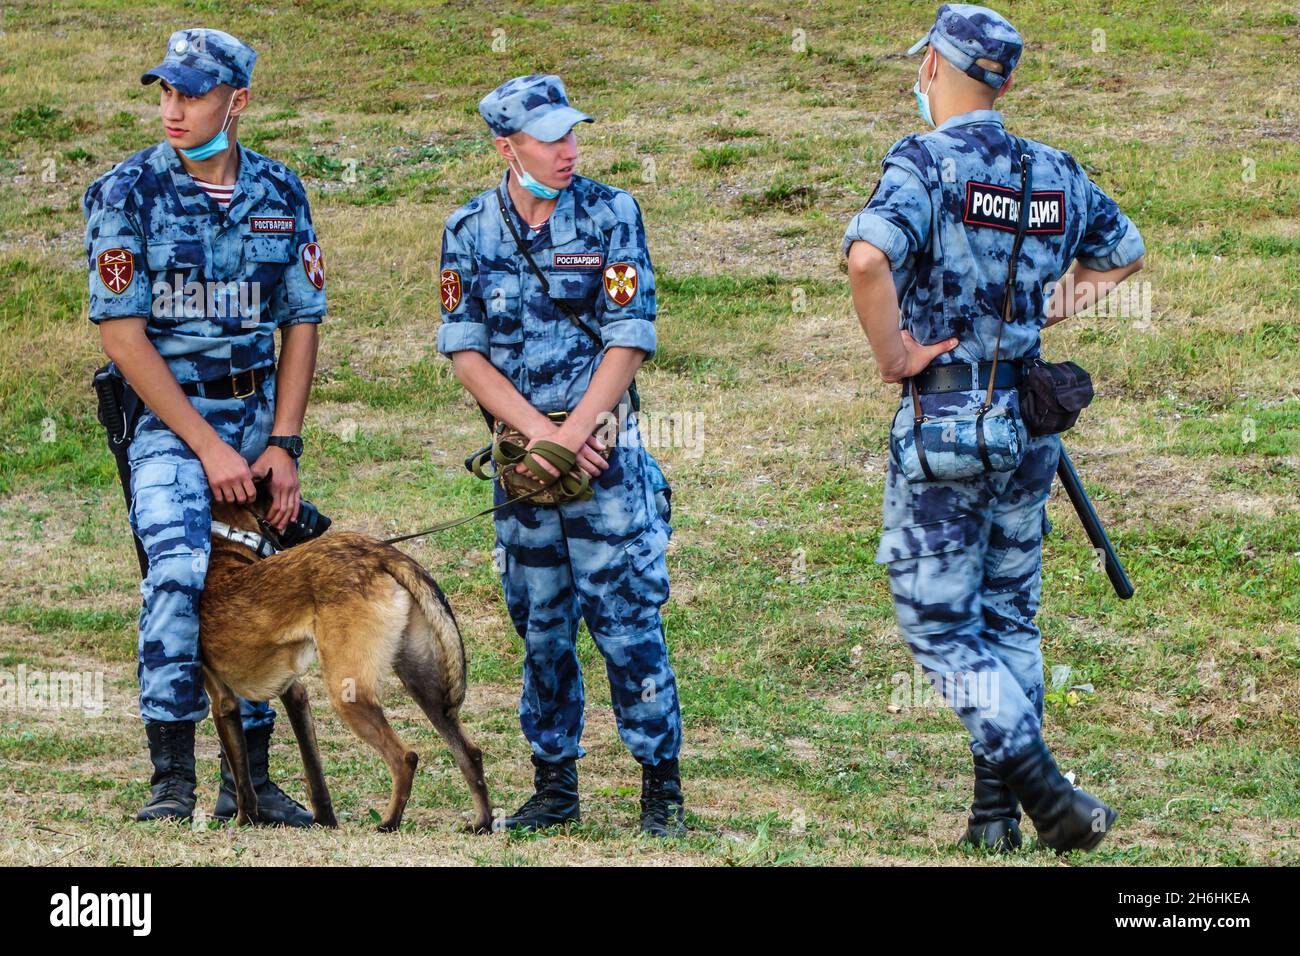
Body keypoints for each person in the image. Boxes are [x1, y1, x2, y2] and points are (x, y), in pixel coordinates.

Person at [844, 4, 1145, 853]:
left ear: (935, 67)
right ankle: (990, 819)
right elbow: (1123, 249)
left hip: (943, 421)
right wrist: (1050, 308)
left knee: (940, 624)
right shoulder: (1054, 170)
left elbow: (867, 257)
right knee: (1010, 617)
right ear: (1005, 81)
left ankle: (1047, 797)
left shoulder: (924, 163)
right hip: (1027, 423)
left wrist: (895, 354)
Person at [83, 27, 326, 825]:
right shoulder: (126, 193)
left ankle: (247, 783)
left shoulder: (281, 191)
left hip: (258, 422)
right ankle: (173, 781)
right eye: (165, 91)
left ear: (238, 100)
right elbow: (122, 336)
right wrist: (207, 446)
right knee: (180, 575)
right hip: (166, 424)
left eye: (191, 92)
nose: (173, 107)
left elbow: (301, 320)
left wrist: (282, 445)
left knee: (256, 582)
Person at [436, 74, 684, 836]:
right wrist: (535, 437)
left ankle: (661, 791)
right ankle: (554, 786)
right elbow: (464, 348)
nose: (568, 150)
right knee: (540, 624)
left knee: (627, 620)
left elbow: (630, 334)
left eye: (573, 134)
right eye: (550, 139)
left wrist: (574, 435)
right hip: (523, 461)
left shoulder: (611, 213)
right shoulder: (470, 229)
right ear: (506, 147)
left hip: (602, 452)